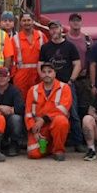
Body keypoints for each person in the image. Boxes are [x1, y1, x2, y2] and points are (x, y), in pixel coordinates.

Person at [38, 20, 83, 151]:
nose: (53, 31)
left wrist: (71, 80)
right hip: (49, 86)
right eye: (51, 29)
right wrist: (44, 79)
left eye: (56, 28)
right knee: (50, 112)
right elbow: (39, 65)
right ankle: (50, 139)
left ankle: (78, 141)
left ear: (61, 29)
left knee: (73, 113)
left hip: (66, 85)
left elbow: (77, 64)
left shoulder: (70, 46)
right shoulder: (45, 47)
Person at [24, 62, 72, 160]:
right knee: (34, 154)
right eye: (44, 72)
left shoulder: (64, 88)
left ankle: (58, 150)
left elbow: (63, 110)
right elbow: (28, 113)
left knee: (61, 121)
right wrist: (34, 130)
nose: (46, 74)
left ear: (55, 73)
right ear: (40, 74)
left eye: (49, 72)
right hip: (39, 127)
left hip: (54, 124)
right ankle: (49, 145)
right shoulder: (33, 90)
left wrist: (44, 119)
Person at [0, 67, 25, 156]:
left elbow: (20, 108)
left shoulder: (15, 90)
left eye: (4, 76)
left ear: (8, 78)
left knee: (16, 118)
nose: (1, 78)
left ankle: (15, 144)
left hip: (9, 121)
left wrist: (11, 110)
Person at [66, 13, 93, 119]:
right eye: (73, 20)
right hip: (68, 80)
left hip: (84, 80)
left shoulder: (87, 40)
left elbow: (91, 61)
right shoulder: (65, 39)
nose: (76, 22)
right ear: (69, 23)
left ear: (81, 22)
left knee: (84, 108)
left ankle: (84, 132)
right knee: (70, 109)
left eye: (78, 20)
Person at [12, 12, 46, 94]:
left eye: (29, 20)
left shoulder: (41, 36)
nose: (27, 23)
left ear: (33, 21)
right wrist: (13, 75)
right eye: (24, 20)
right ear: (20, 22)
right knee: (21, 100)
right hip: (21, 75)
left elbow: (47, 54)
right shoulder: (15, 39)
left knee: (38, 98)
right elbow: (12, 59)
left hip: (38, 74)